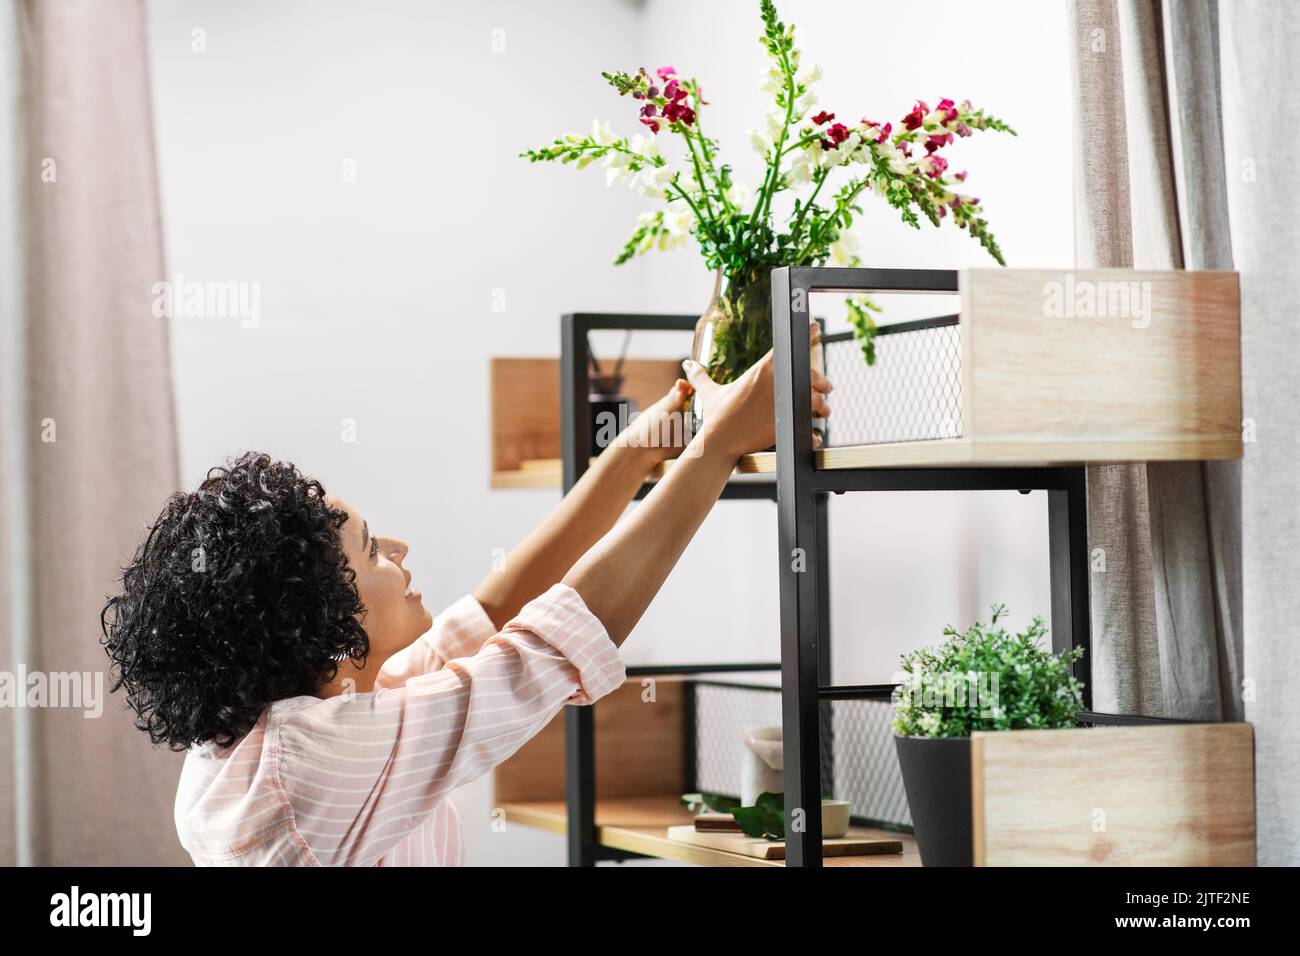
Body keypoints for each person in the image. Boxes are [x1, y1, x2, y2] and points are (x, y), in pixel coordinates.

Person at [100, 330, 831, 866]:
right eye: (374, 549)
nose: (402, 553)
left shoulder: (303, 714)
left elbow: (497, 610)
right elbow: (544, 647)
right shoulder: (310, 760)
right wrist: (722, 441)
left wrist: (643, 446)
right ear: (324, 624)